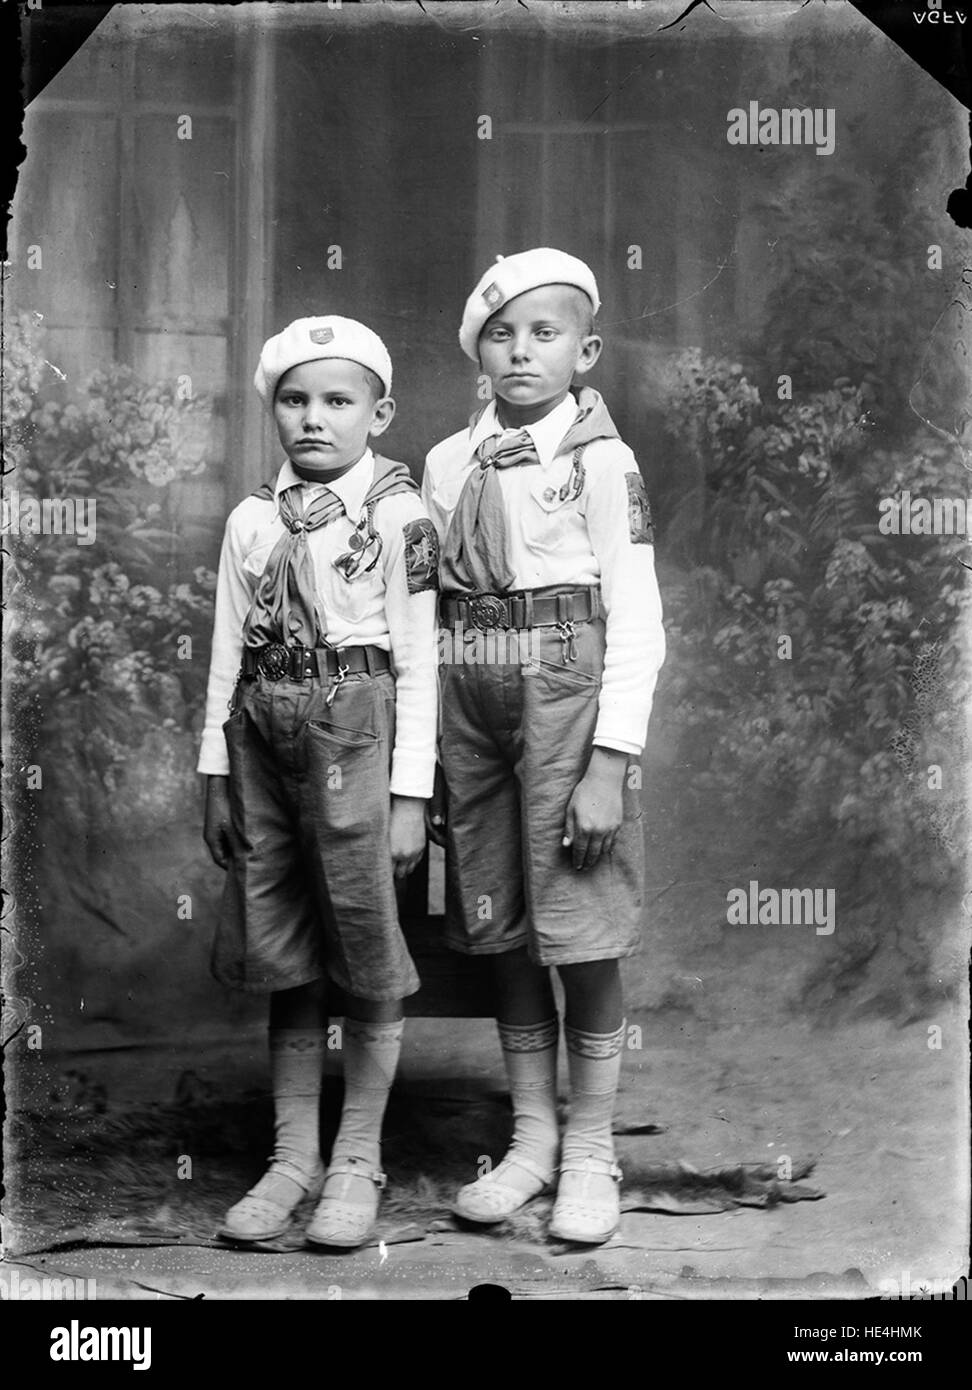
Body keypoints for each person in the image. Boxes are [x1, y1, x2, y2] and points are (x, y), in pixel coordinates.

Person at [422, 248, 666, 1244]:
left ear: (585, 350)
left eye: (544, 332)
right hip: (471, 692)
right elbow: (422, 607)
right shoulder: (446, 464)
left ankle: (592, 1144)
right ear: (479, 353)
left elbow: (639, 619)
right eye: (501, 334)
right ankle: (531, 1139)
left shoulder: (601, 462)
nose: (521, 350)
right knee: (504, 915)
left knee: (582, 917)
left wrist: (610, 761)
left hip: (567, 689)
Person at [198, 315, 438, 1248]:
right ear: (272, 411)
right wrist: (215, 772)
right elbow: (226, 655)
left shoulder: (398, 514)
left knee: (365, 941)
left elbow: (418, 662)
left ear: (379, 412)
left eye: (338, 401)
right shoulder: (252, 520)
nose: (314, 419)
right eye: (294, 400)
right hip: (263, 728)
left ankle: (356, 1159)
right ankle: (292, 1155)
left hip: (356, 726)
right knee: (284, 941)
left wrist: (410, 796)